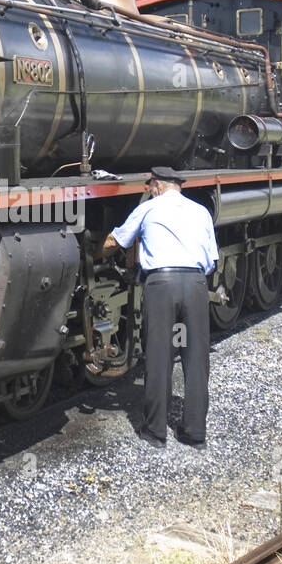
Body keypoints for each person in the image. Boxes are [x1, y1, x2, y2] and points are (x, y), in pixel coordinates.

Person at [99, 167, 218, 449]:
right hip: (195, 284)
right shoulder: (201, 211)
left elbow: (117, 240)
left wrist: (97, 252)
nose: (149, 190)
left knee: (159, 355)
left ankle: (155, 432)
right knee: (195, 358)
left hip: (161, 286)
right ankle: (195, 433)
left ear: (158, 186)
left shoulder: (148, 209)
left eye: (150, 185)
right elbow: (211, 259)